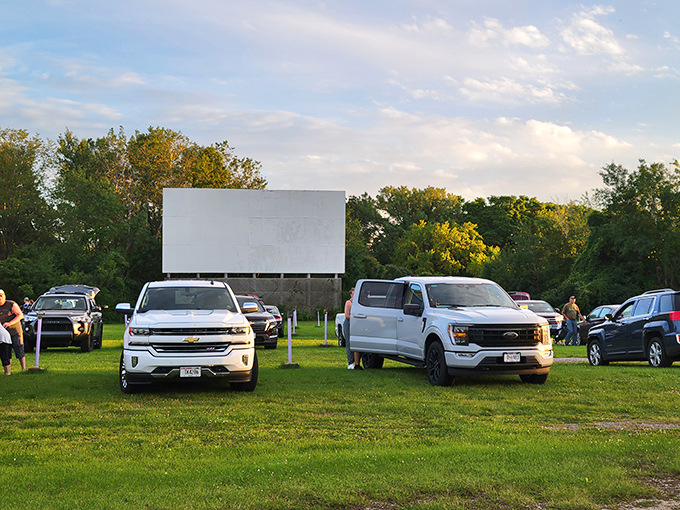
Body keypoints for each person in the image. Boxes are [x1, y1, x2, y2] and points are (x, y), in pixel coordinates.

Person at [0, 289, 26, 373]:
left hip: (15, 331)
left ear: (5, 296)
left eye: (1, 296)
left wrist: (10, 323)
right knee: (7, 351)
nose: (0, 298)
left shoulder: (11, 304)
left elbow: (20, 315)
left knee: (19, 348)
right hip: (4, 333)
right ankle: (8, 371)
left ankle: (23, 369)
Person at [344, 287, 362, 370]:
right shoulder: (349, 303)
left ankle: (357, 362)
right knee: (349, 343)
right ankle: (350, 362)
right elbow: (347, 315)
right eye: (353, 294)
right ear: (351, 294)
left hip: (356, 324)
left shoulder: (358, 304)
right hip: (349, 324)